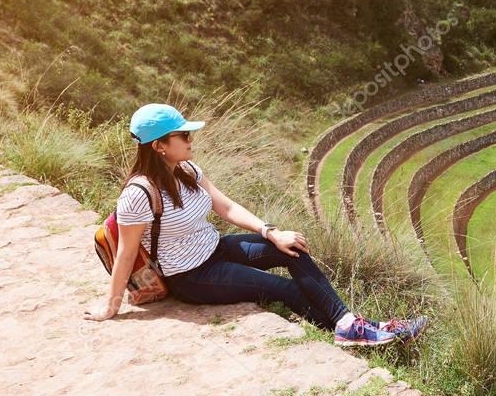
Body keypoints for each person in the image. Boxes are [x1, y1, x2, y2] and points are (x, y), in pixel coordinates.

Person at [84, 103, 427, 346]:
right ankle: (349, 331)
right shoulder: (138, 194)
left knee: (292, 249)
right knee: (282, 289)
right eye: (183, 134)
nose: (190, 139)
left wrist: (270, 232)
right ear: (159, 146)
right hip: (191, 276)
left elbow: (226, 206)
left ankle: (350, 324)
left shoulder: (187, 170)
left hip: (216, 249)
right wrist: (111, 305)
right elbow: (126, 253)